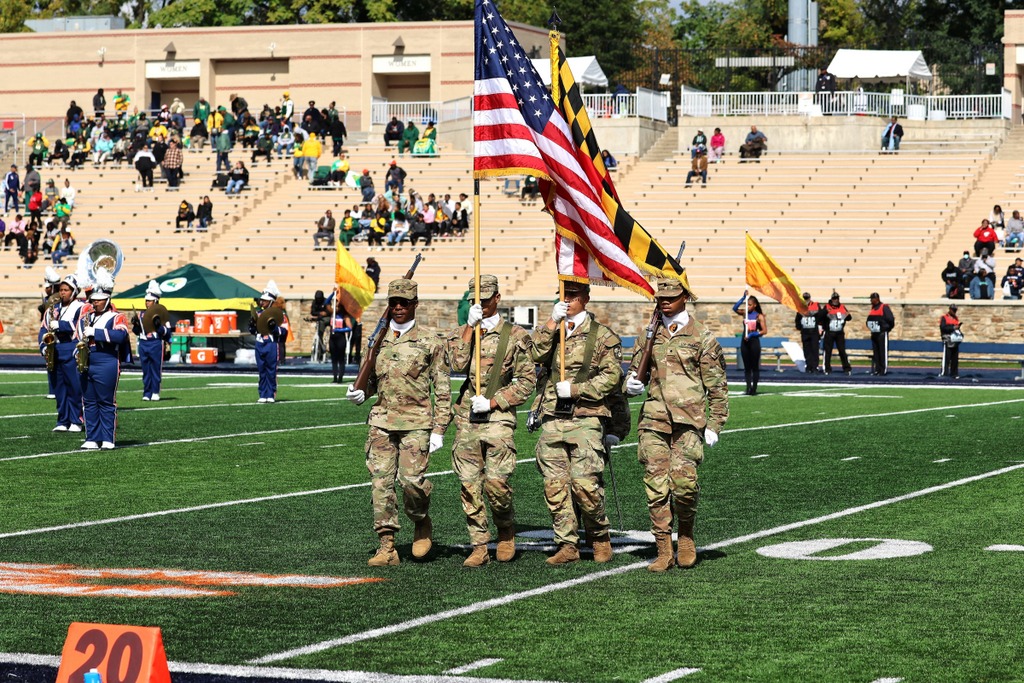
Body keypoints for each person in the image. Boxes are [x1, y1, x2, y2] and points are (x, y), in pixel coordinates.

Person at [345, 278, 452, 566]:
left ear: (415, 304)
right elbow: (369, 381)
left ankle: (420, 519)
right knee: (380, 484)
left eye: (404, 303)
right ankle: (387, 546)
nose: (399, 308)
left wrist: (440, 429)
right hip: (381, 422)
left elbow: (442, 389)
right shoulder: (377, 340)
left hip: (417, 422)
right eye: (394, 302)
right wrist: (360, 393)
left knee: (411, 483)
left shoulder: (430, 341)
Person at [624, 277, 728, 571]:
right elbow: (635, 373)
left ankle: (685, 536)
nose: (665, 300)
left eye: (672, 296)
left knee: (683, 485)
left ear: (686, 297)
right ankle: (663, 549)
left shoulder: (702, 336)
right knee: (655, 488)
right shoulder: (648, 335)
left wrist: (715, 424)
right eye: (661, 296)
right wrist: (630, 384)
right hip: (654, 420)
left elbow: (717, 386)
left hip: (689, 422)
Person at [527, 281, 626, 566]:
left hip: (586, 416)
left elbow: (611, 378)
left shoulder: (603, 336)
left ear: (585, 298)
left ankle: (599, 537)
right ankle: (567, 544)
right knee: (555, 486)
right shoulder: (553, 331)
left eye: (572, 296)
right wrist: (550, 321)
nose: (567, 301)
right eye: (562, 296)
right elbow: (534, 354)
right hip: (553, 418)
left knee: (585, 485)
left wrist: (575, 389)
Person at [448, 275, 536, 567]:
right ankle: (479, 545)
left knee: (497, 484)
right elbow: (457, 365)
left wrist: (495, 400)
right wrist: (468, 329)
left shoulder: (516, 335)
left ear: (497, 298)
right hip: (467, 418)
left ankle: (506, 529)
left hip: (498, 417)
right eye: (476, 300)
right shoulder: (466, 332)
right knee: (469, 484)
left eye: (486, 299)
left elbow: (526, 381)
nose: (481, 304)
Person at [78, 269, 131, 450]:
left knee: (106, 401)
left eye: (98, 300)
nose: (94, 303)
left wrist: (96, 333)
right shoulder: (86, 317)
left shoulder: (116, 317)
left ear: (107, 300)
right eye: (93, 300)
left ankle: (108, 438)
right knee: (89, 401)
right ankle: (92, 437)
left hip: (106, 360)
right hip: (87, 360)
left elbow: (121, 336)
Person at [39, 275, 87, 433]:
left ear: (74, 291)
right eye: (61, 290)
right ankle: (63, 420)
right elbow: (44, 329)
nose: (63, 293)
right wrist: (44, 347)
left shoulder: (81, 306)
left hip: (71, 347)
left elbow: (80, 325)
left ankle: (76, 420)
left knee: (74, 386)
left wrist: (61, 324)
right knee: (58, 387)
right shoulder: (54, 308)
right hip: (55, 349)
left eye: (66, 290)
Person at [132, 280, 172, 401]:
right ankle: (146, 393)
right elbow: (137, 331)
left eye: (149, 301)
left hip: (155, 343)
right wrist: (136, 325)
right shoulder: (141, 314)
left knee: (155, 369)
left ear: (155, 301)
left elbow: (167, 332)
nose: (147, 303)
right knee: (145, 370)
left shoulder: (162, 314)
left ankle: (155, 391)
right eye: (146, 300)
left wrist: (159, 326)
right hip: (143, 343)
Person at [249, 281, 284, 403]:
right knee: (262, 370)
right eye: (261, 300)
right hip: (260, 344)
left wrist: (274, 328)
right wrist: (252, 326)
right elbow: (253, 331)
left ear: (270, 301)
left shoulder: (279, 314)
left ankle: (271, 393)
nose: (261, 302)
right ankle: (262, 393)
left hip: (271, 344)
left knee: (271, 370)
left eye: (264, 300)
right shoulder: (258, 313)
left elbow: (284, 332)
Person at [733, 290, 766, 395]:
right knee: (746, 367)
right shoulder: (744, 314)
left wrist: (753, 334)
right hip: (744, 342)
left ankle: (754, 388)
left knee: (754, 366)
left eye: (750, 305)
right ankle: (748, 387)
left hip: (754, 342)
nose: (748, 307)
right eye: (747, 305)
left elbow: (764, 331)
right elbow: (734, 308)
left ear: (755, 305)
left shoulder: (759, 316)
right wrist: (743, 298)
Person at [40, 267, 62, 398]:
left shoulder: (53, 299)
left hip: (56, 333)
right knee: (51, 362)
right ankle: (53, 390)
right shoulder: (51, 298)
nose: (46, 289)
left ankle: (54, 390)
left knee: (53, 362)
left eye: (48, 286)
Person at [324, 288, 352, 383]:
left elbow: (349, 327)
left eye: (337, 305)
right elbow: (326, 303)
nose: (335, 306)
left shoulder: (344, 315)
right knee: (334, 359)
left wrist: (339, 329)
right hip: (333, 338)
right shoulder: (333, 313)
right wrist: (333, 293)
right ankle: (335, 377)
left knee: (340, 358)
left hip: (340, 338)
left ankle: (340, 377)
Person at [822, 291, 852, 375]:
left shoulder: (842, 307)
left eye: (837, 298)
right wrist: (825, 312)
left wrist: (848, 315)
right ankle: (827, 368)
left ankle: (846, 368)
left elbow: (849, 318)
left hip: (839, 333)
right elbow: (820, 317)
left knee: (842, 351)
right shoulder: (827, 307)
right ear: (831, 299)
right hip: (830, 332)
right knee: (828, 351)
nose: (836, 300)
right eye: (834, 299)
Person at [865, 293, 896, 376]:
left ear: (877, 299)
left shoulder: (884, 307)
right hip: (874, 333)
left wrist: (887, 329)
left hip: (882, 333)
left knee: (882, 352)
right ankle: (877, 369)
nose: (871, 300)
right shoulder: (873, 308)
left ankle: (883, 370)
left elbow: (890, 319)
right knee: (876, 353)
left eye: (872, 299)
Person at [939, 304, 963, 379]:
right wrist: (953, 327)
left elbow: (957, 329)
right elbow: (943, 328)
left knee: (955, 359)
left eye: (955, 310)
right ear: (950, 309)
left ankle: (954, 373)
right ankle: (944, 373)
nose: (954, 312)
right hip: (947, 339)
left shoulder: (956, 318)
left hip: (955, 340)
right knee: (947, 358)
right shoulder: (944, 318)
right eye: (953, 310)